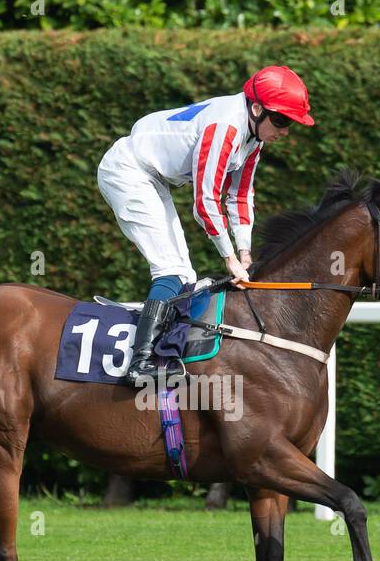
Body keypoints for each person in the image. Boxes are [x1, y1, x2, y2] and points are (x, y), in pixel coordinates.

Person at [96, 65, 315, 386]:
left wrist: (245, 254)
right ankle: (140, 364)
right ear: (256, 109)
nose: (284, 131)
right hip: (128, 171)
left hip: (152, 178)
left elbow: (240, 196)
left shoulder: (254, 137)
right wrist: (228, 259)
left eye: (291, 123)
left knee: (185, 276)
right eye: (281, 120)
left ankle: (159, 353)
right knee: (170, 271)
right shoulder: (225, 128)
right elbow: (205, 200)